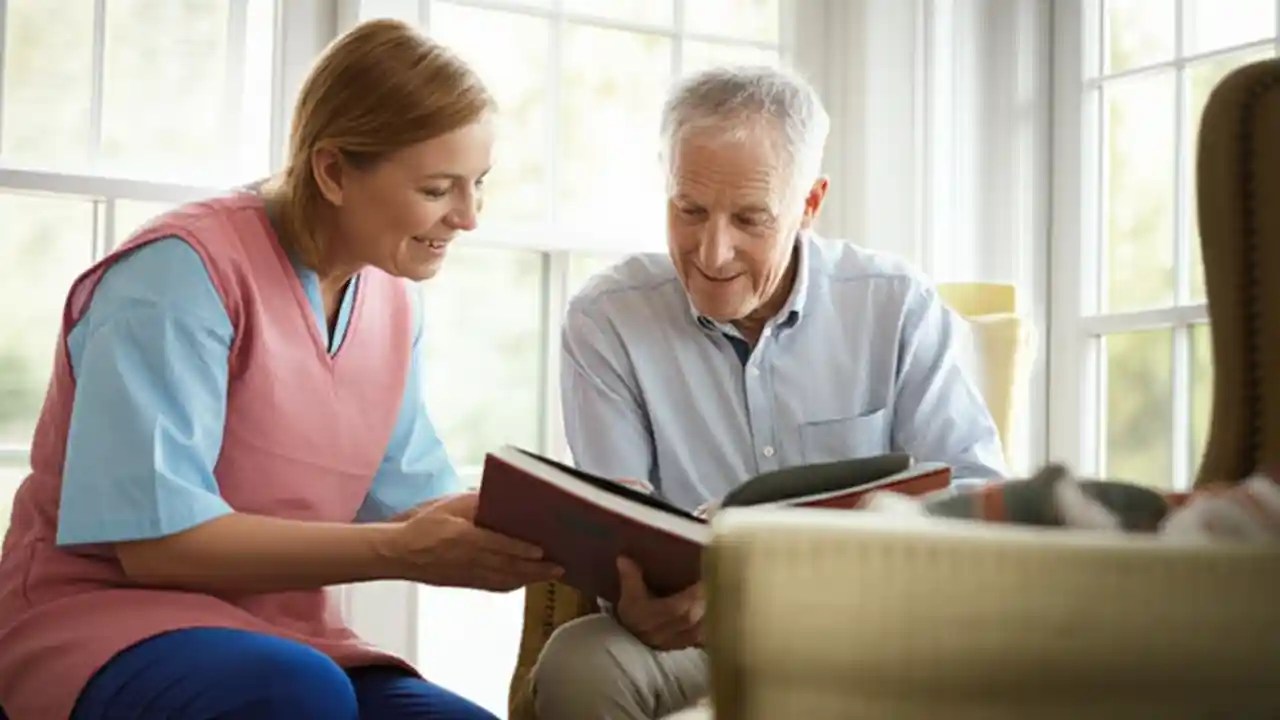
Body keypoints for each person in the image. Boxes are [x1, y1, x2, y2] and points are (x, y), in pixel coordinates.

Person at [0, 20, 561, 720]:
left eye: (478, 184)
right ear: (331, 171)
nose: (468, 217)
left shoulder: (389, 296)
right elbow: (156, 546)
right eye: (438, 189)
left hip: (289, 638)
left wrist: (564, 524)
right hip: (103, 621)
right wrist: (399, 552)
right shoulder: (178, 275)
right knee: (296, 691)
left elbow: (414, 501)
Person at [533, 66, 1007, 719]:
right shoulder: (606, 321)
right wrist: (635, 592)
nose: (713, 251)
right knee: (580, 665)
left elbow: (974, 495)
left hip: (876, 629)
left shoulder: (898, 306)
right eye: (689, 210)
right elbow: (617, 518)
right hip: (696, 638)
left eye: (750, 219)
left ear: (809, 204)